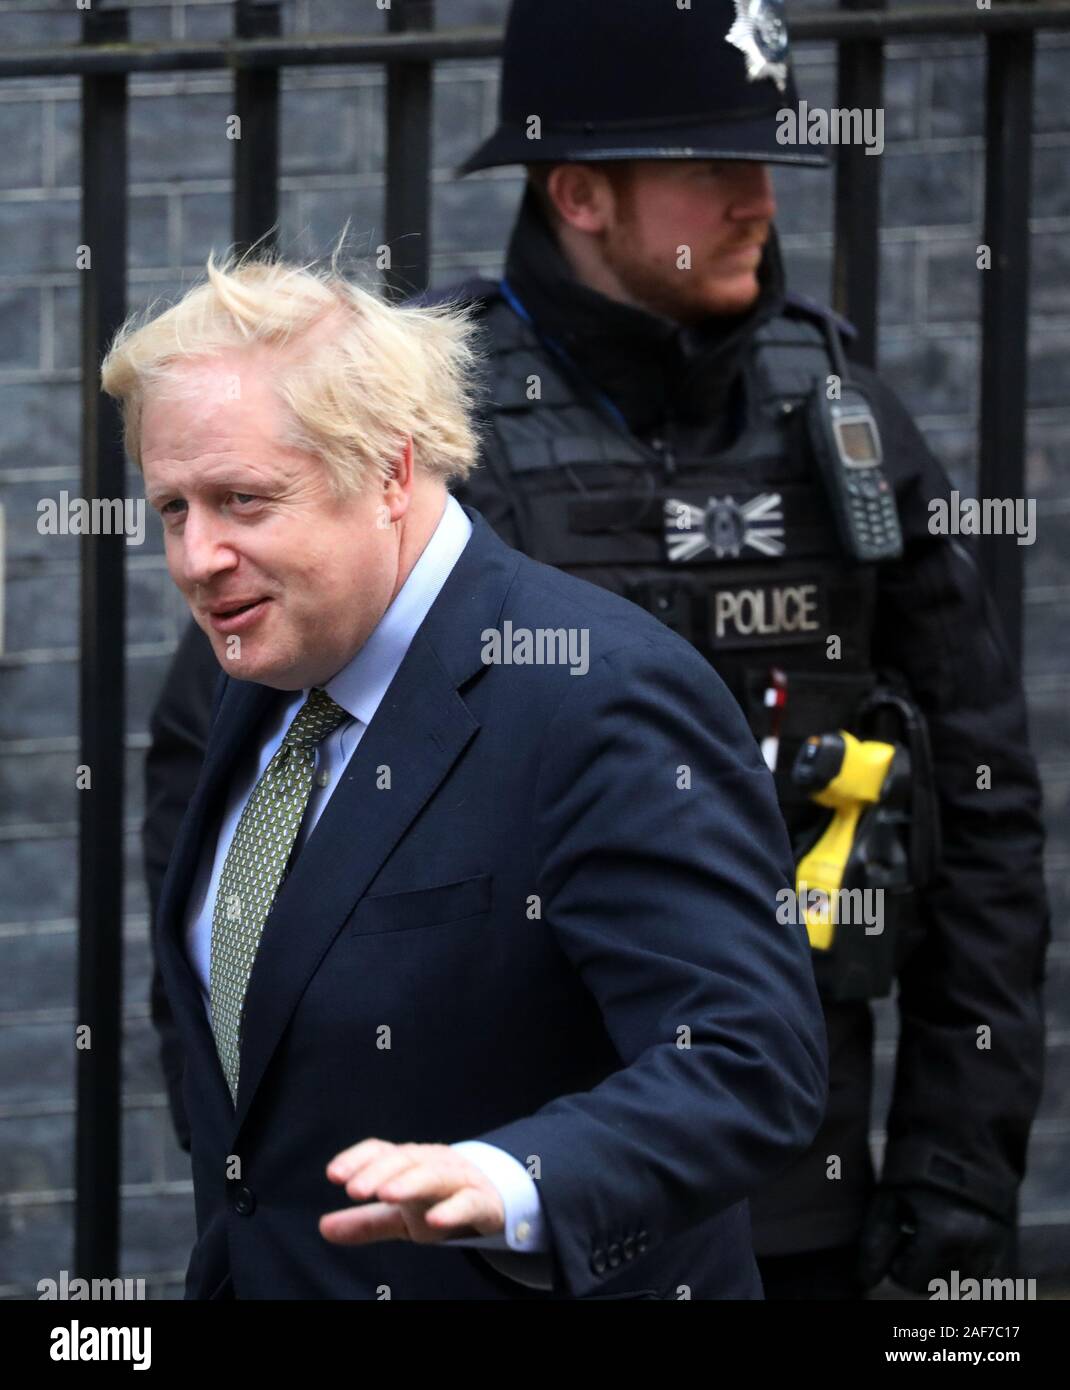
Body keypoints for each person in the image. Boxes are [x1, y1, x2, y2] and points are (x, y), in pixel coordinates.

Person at [142, 0, 1051, 1299]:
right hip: (463, 1215)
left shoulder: (840, 420)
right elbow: (220, 797)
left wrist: (960, 1160)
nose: (756, 203)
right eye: (710, 169)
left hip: (802, 1160)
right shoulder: (415, 452)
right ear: (578, 192)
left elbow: (982, 809)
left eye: (765, 167)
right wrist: (268, 1146)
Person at [102, 252, 827, 1299]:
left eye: (243, 500)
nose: (197, 556)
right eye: (174, 509)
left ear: (392, 472)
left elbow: (744, 1059)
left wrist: (507, 1177)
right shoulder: (268, 671)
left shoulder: (595, 693)